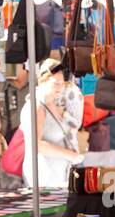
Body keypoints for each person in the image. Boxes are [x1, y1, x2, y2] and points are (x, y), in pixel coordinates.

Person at [17, 60, 83, 188]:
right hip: (43, 179)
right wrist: (71, 155)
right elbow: (36, 144)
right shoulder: (36, 105)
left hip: (57, 177)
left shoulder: (50, 103)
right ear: (43, 81)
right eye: (55, 84)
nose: (60, 87)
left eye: (62, 84)